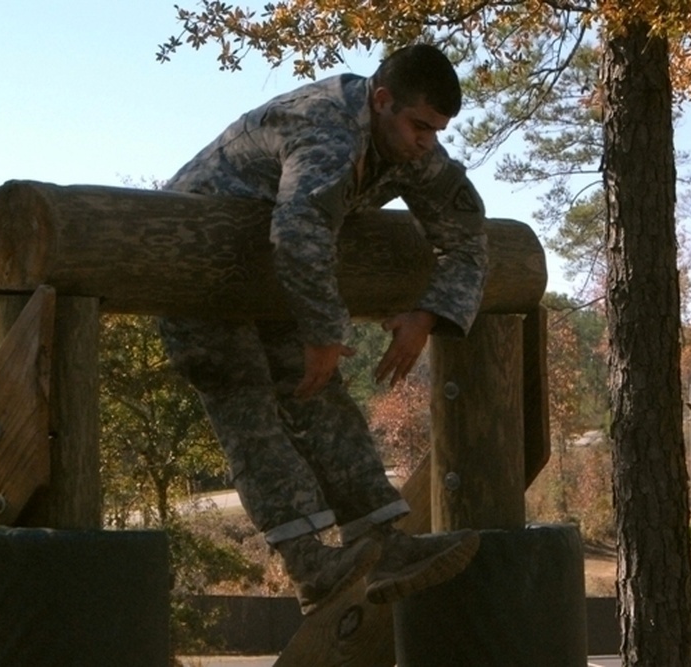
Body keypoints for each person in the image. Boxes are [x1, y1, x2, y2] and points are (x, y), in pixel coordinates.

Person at [158, 44, 489, 615]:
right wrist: (323, 333)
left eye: (437, 131)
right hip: (195, 265)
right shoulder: (327, 125)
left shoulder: (407, 143)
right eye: (419, 126)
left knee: (321, 399)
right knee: (247, 404)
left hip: (268, 279)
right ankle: (310, 567)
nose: (426, 141)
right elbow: (299, 228)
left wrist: (426, 315)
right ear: (382, 101)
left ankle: (381, 545)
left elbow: (467, 234)